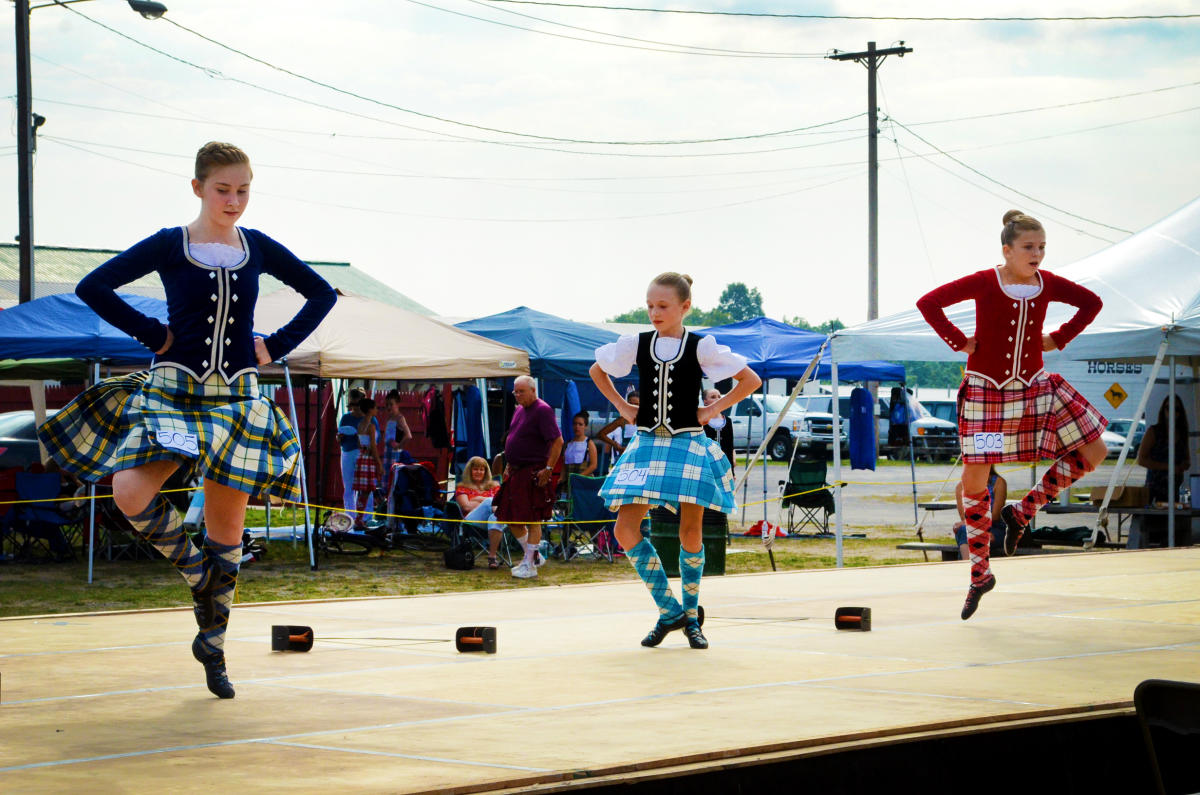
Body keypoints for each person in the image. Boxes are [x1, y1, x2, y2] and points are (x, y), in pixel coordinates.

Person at [38, 141, 336, 698]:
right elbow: (92, 286)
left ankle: (214, 646)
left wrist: (275, 346)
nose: (234, 200)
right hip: (174, 388)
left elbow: (321, 293)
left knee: (228, 528)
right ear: (198, 187)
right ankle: (199, 576)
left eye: (243, 189)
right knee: (129, 490)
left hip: (238, 395)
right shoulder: (170, 244)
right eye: (223, 189)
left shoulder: (259, 248)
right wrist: (152, 335)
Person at [917, 210, 1106, 620]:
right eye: (1028, 247)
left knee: (1095, 450)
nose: (1037, 254)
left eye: (1041, 247)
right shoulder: (986, 280)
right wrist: (959, 342)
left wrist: (1058, 338)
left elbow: (1092, 303)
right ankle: (980, 572)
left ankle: (1023, 510)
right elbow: (928, 302)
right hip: (988, 393)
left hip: (1036, 386)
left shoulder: (1048, 283)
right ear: (1007, 250)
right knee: (976, 477)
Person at [591, 272, 761, 649]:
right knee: (624, 529)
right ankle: (671, 611)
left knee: (690, 531)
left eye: (663, 306)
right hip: (648, 442)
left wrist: (711, 409)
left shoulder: (700, 347)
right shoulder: (636, 343)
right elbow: (597, 370)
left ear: (685, 307)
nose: (654, 312)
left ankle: (691, 614)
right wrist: (622, 406)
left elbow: (750, 380)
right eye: (650, 305)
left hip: (687, 444)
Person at [492, 376, 563, 579]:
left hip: (533, 471)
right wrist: (509, 465)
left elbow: (558, 442)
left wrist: (548, 469)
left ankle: (529, 565)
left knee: (532, 519)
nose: (517, 394)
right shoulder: (519, 410)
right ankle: (534, 556)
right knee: (510, 517)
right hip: (516, 471)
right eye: (515, 391)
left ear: (533, 390)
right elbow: (514, 439)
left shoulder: (542, 410)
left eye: (521, 391)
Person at [1138, 396, 1191, 505]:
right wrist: (1169, 467)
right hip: (1154, 488)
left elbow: (1187, 459)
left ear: (1180, 413)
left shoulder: (1182, 433)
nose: (1172, 412)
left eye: (1176, 409)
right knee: (1153, 520)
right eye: (1168, 408)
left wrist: (1184, 465)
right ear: (1163, 410)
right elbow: (1141, 460)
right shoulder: (1153, 432)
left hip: (1174, 489)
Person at [454, 455, 503, 569]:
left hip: (492, 522)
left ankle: (492, 557)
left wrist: (476, 500)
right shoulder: (462, 487)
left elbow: (501, 504)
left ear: (486, 472)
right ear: (469, 471)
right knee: (491, 503)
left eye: (482, 469)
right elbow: (466, 507)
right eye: (475, 469)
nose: (479, 472)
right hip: (472, 522)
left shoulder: (495, 486)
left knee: (494, 517)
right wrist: (485, 501)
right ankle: (497, 512)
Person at [951, 465, 1008, 560]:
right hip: (972, 527)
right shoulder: (960, 487)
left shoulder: (998, 482)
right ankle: (971, 567)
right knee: (966, 531)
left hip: (995, 527)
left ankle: (969, 567)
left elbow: (995, 516)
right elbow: (964, 517)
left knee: (966, 532)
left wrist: (979, 527)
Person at [352, 398, 384, 528]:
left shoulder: (360, 425)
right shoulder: (371, 426)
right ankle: (359, 519)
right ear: (370, 409)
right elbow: (373, 447)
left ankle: (359, 518)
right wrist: (379, 464)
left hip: (361, 456)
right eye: (375, 407)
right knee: (366, 490)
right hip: (368, 458)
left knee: (363, 491)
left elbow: (360, 443)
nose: (377, 409)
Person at [338, 388, 365, 520]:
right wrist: (340, 437)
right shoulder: (345, 417)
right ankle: (350, 516)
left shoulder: (368, 418)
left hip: (362, 454)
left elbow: (375, 438)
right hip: (347, 453)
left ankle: (365, 517)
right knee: (348, 487)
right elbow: (339, 436)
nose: (354, 408)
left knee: (363, 487)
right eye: (352, 405)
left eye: (357, 405)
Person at [702, 388, 736, 473]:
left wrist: (732, 471)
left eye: (719, 397)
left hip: (725, 465)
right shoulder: (702, 420)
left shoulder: (727, 421)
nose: (717, 399)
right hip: (707, 464)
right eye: (713, 397)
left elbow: (730, 446)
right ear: (705, 401)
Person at [597, 391, 639, 458]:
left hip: (641, 456)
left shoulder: (647, 421)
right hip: (625, 456)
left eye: (636, 404)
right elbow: (601, 434)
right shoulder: (622, 420)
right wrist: (616, 445)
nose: (632, 407)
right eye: (630, 404)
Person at [382, 389, 414, 476]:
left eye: (391, 404)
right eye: (387, 404)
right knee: (386, 476)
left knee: (393, 476)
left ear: (397, 404)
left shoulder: (400, 418)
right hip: (387, 451)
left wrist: (398, 446)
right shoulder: (389, 418)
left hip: (395, 453)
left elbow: (408, 435)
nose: (388, 407)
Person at [563, 411, 599, 482]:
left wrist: (578, 477)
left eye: (580, 424)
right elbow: (564, 465)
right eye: (575, 424)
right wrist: (561, 478)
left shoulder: (589, 443)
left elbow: (593, 465)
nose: (577, 427)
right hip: (568, 482)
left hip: (583, 482)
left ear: (585, 426)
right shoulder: (567, 444)